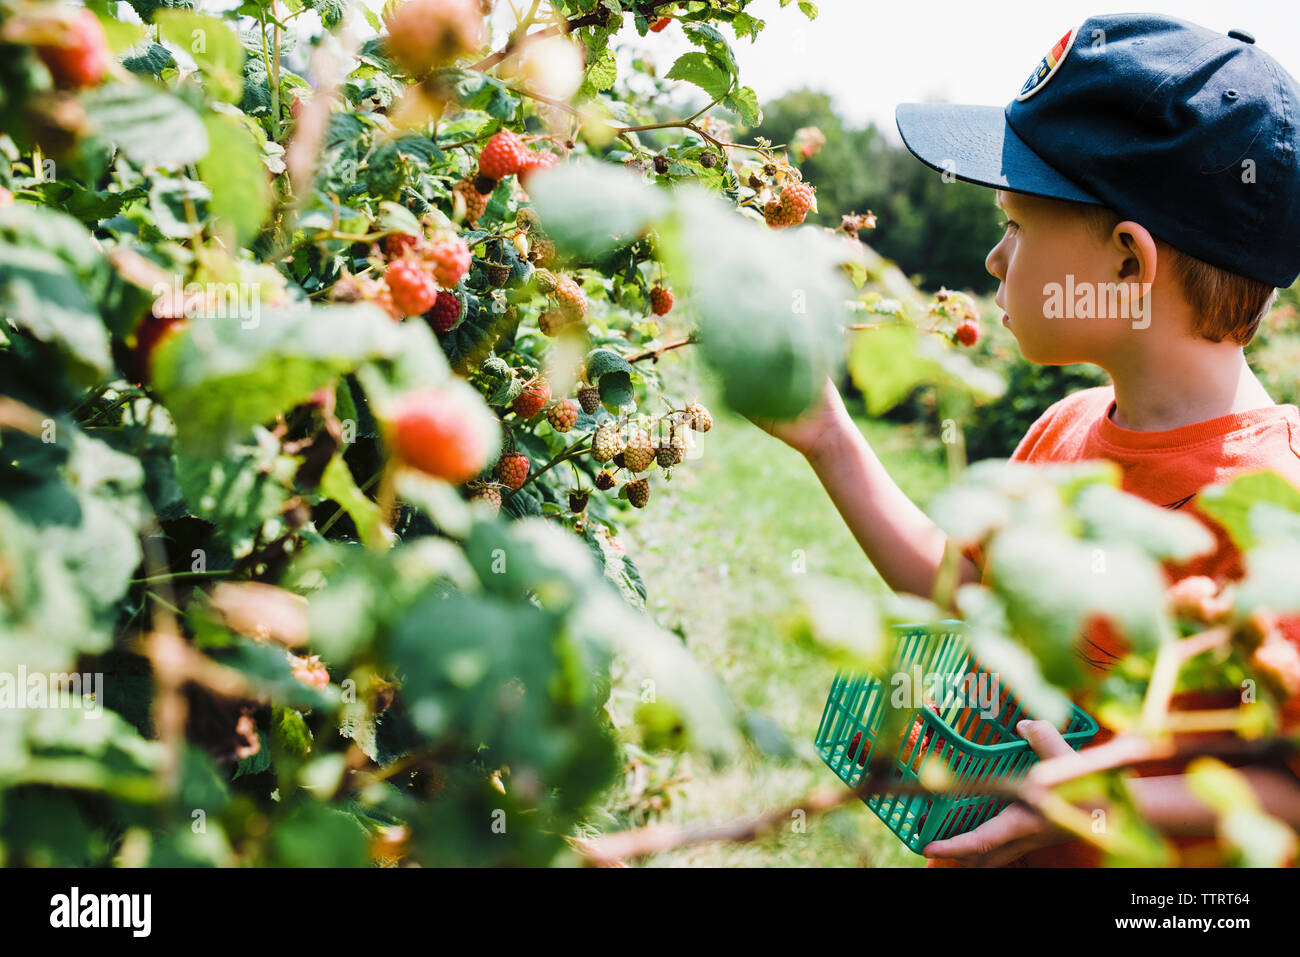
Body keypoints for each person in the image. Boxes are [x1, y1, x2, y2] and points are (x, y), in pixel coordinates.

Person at [755, 13, 1300, 866]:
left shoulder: (1274, 512)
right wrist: (827, 436)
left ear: (1129, 262)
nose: (994, 260)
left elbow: (1289, 787)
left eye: (1015, 222)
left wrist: (1105, 804)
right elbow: (961, 592)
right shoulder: (1069, 426)